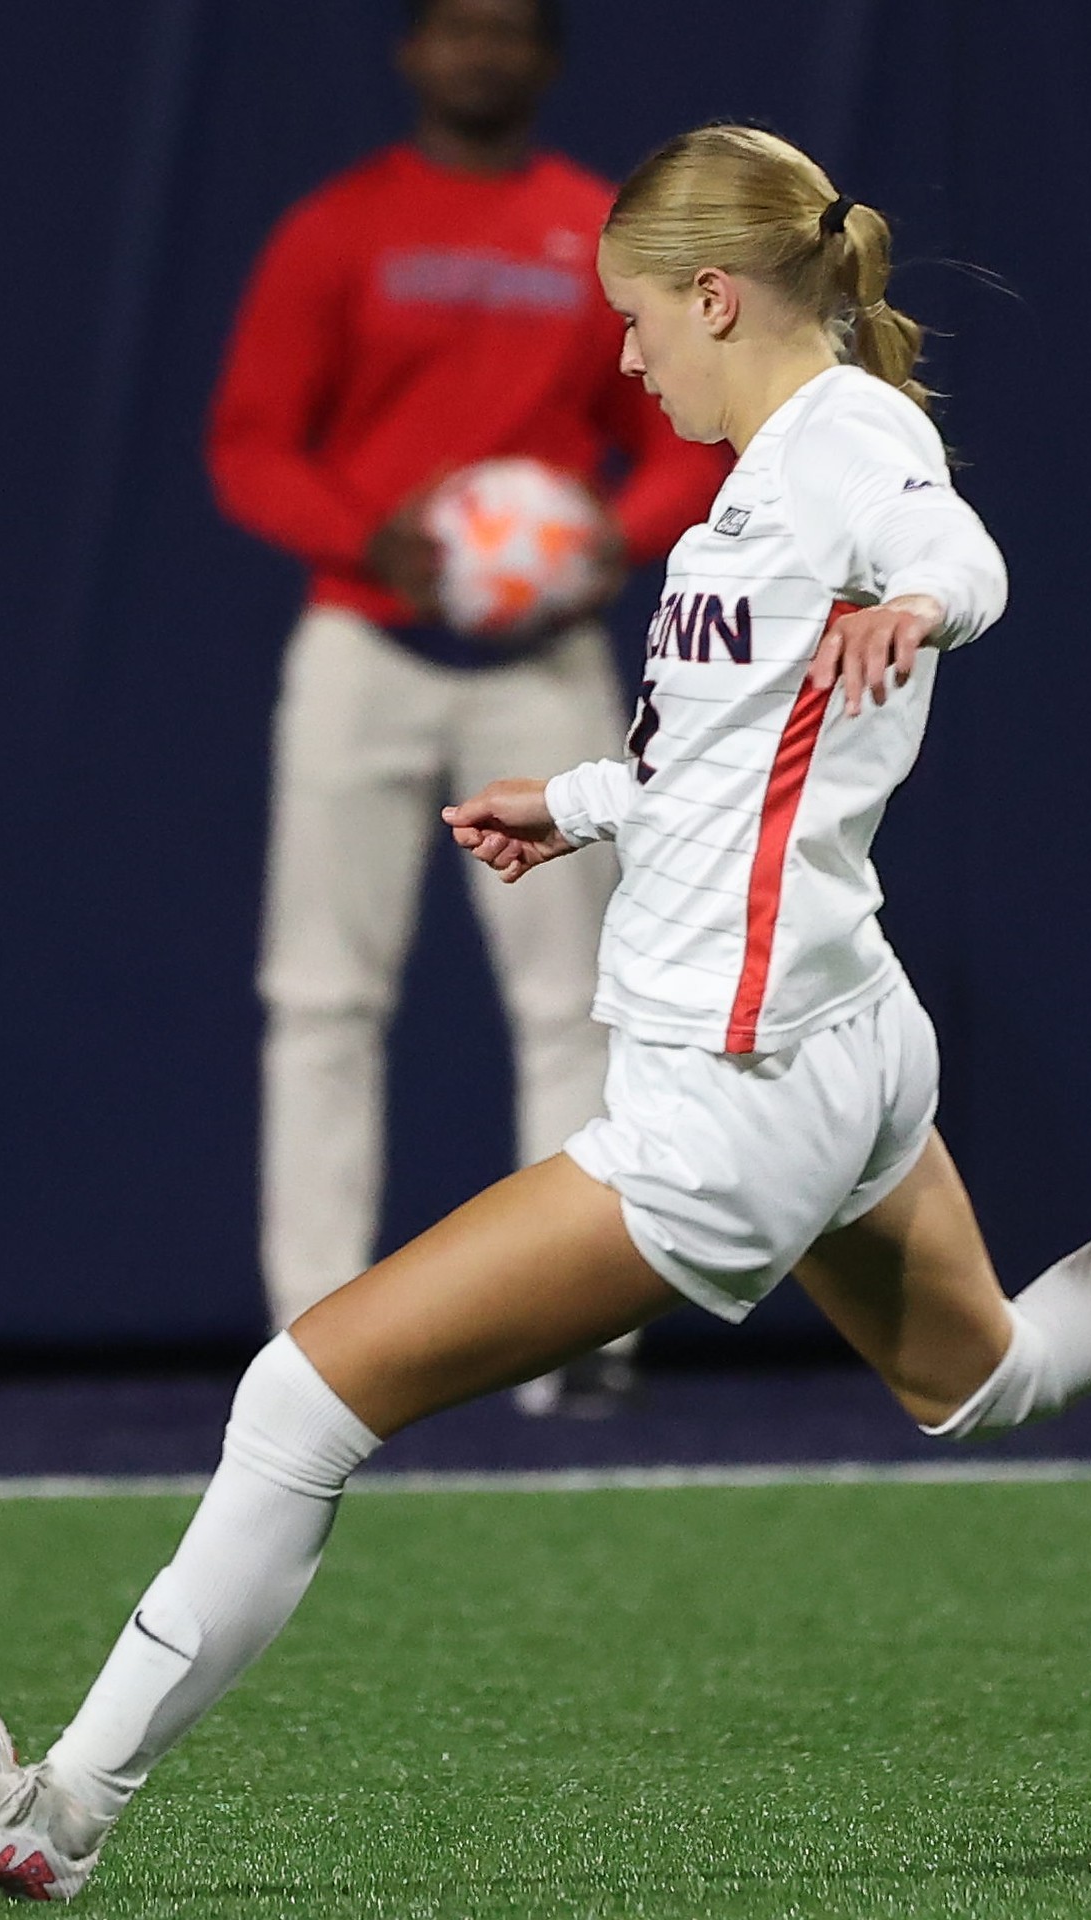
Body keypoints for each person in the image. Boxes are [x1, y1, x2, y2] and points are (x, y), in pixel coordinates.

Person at [0, 125, 1091, 1899]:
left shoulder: (847, 444)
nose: (627, 356)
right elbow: (727, 755)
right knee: (995, 1376)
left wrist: (920, 601)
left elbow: (959, 552)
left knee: (298, 1401)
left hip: (732, 1093)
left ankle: (60, 1819)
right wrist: (575, 801)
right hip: (842, 1038)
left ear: (715, 294)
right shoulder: (755, 485)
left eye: (638, 320)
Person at [209, 0, 725, 1407]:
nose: (482, 54)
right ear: (412, 53)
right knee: (320, 999)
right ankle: (315, 1338)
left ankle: (578, 1337)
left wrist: (621, 538)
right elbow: (252, 444)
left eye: (511, 32)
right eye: (457, 29)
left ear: (547, 62)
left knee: (583, 1002)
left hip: (546, 666)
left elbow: (686, 427)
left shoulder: (599, 238)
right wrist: (360, 532)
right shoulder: (338, 229)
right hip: (362, 650)